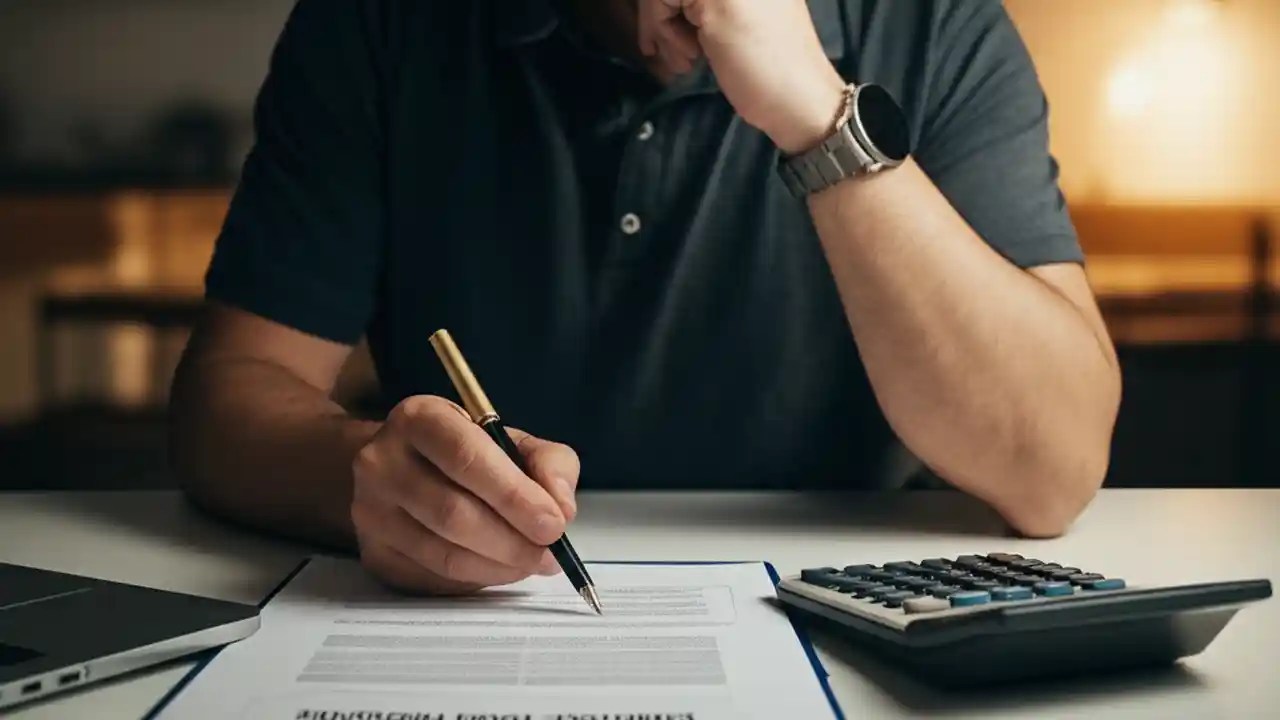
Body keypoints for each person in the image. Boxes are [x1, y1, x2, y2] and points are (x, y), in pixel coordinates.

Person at [170, 0, 1121, 595]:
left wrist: (816, 113)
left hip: (843, 618)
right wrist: (366, 483)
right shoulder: (378, 23)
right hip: (467, 628)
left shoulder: (937, 23)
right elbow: (227, 399)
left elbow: (1055, 467)